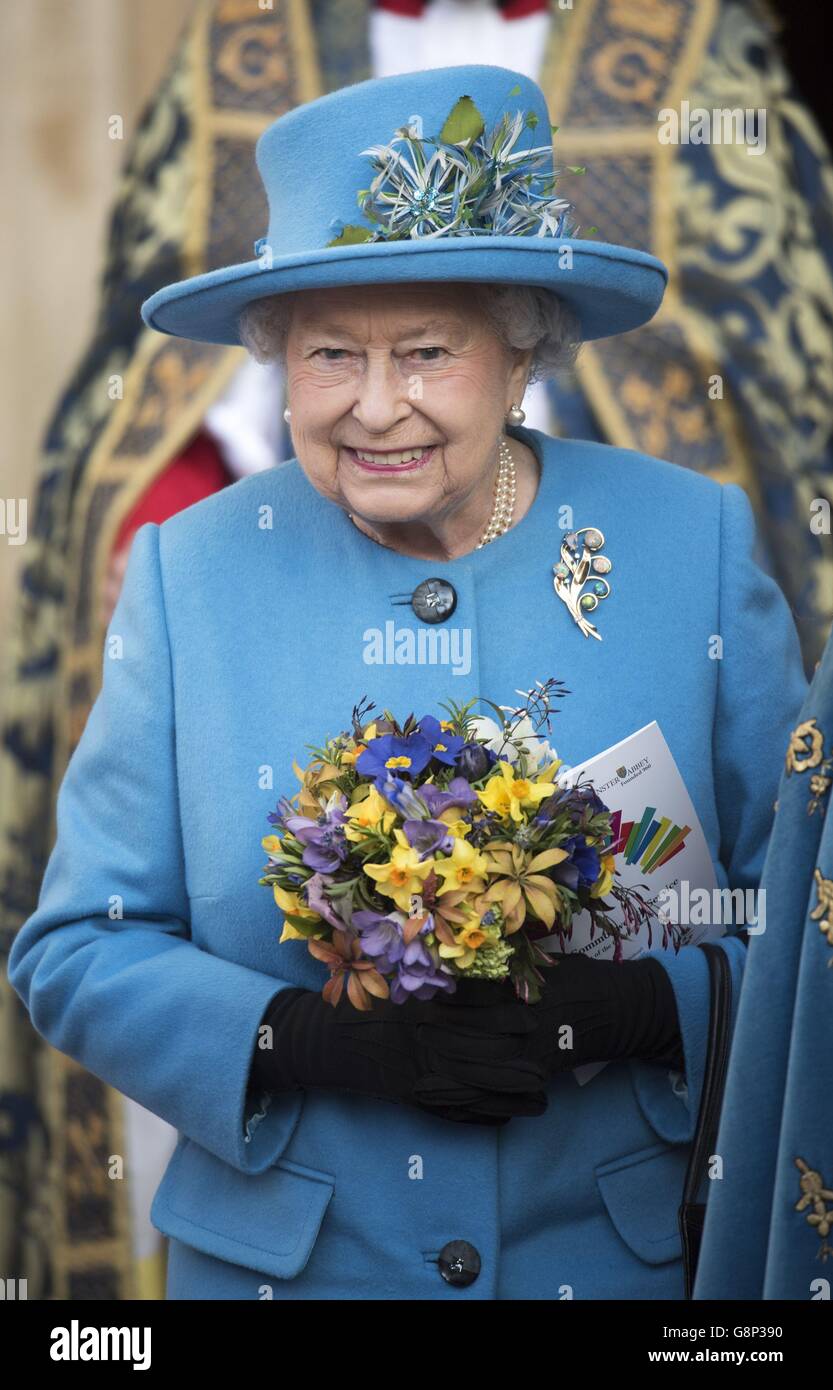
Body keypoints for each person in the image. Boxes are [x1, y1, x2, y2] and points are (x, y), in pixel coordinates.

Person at [8, 63, 809, 1300]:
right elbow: (76, 950)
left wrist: (647, 1013)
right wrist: (299, 1040)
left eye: (427, 351)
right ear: (278, 364)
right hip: (293, 1271)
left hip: (617, 1268)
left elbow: (802, 917)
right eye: (330, 355)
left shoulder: (684, 545)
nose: (376, 409)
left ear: (518, 349)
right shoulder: (193, 573)